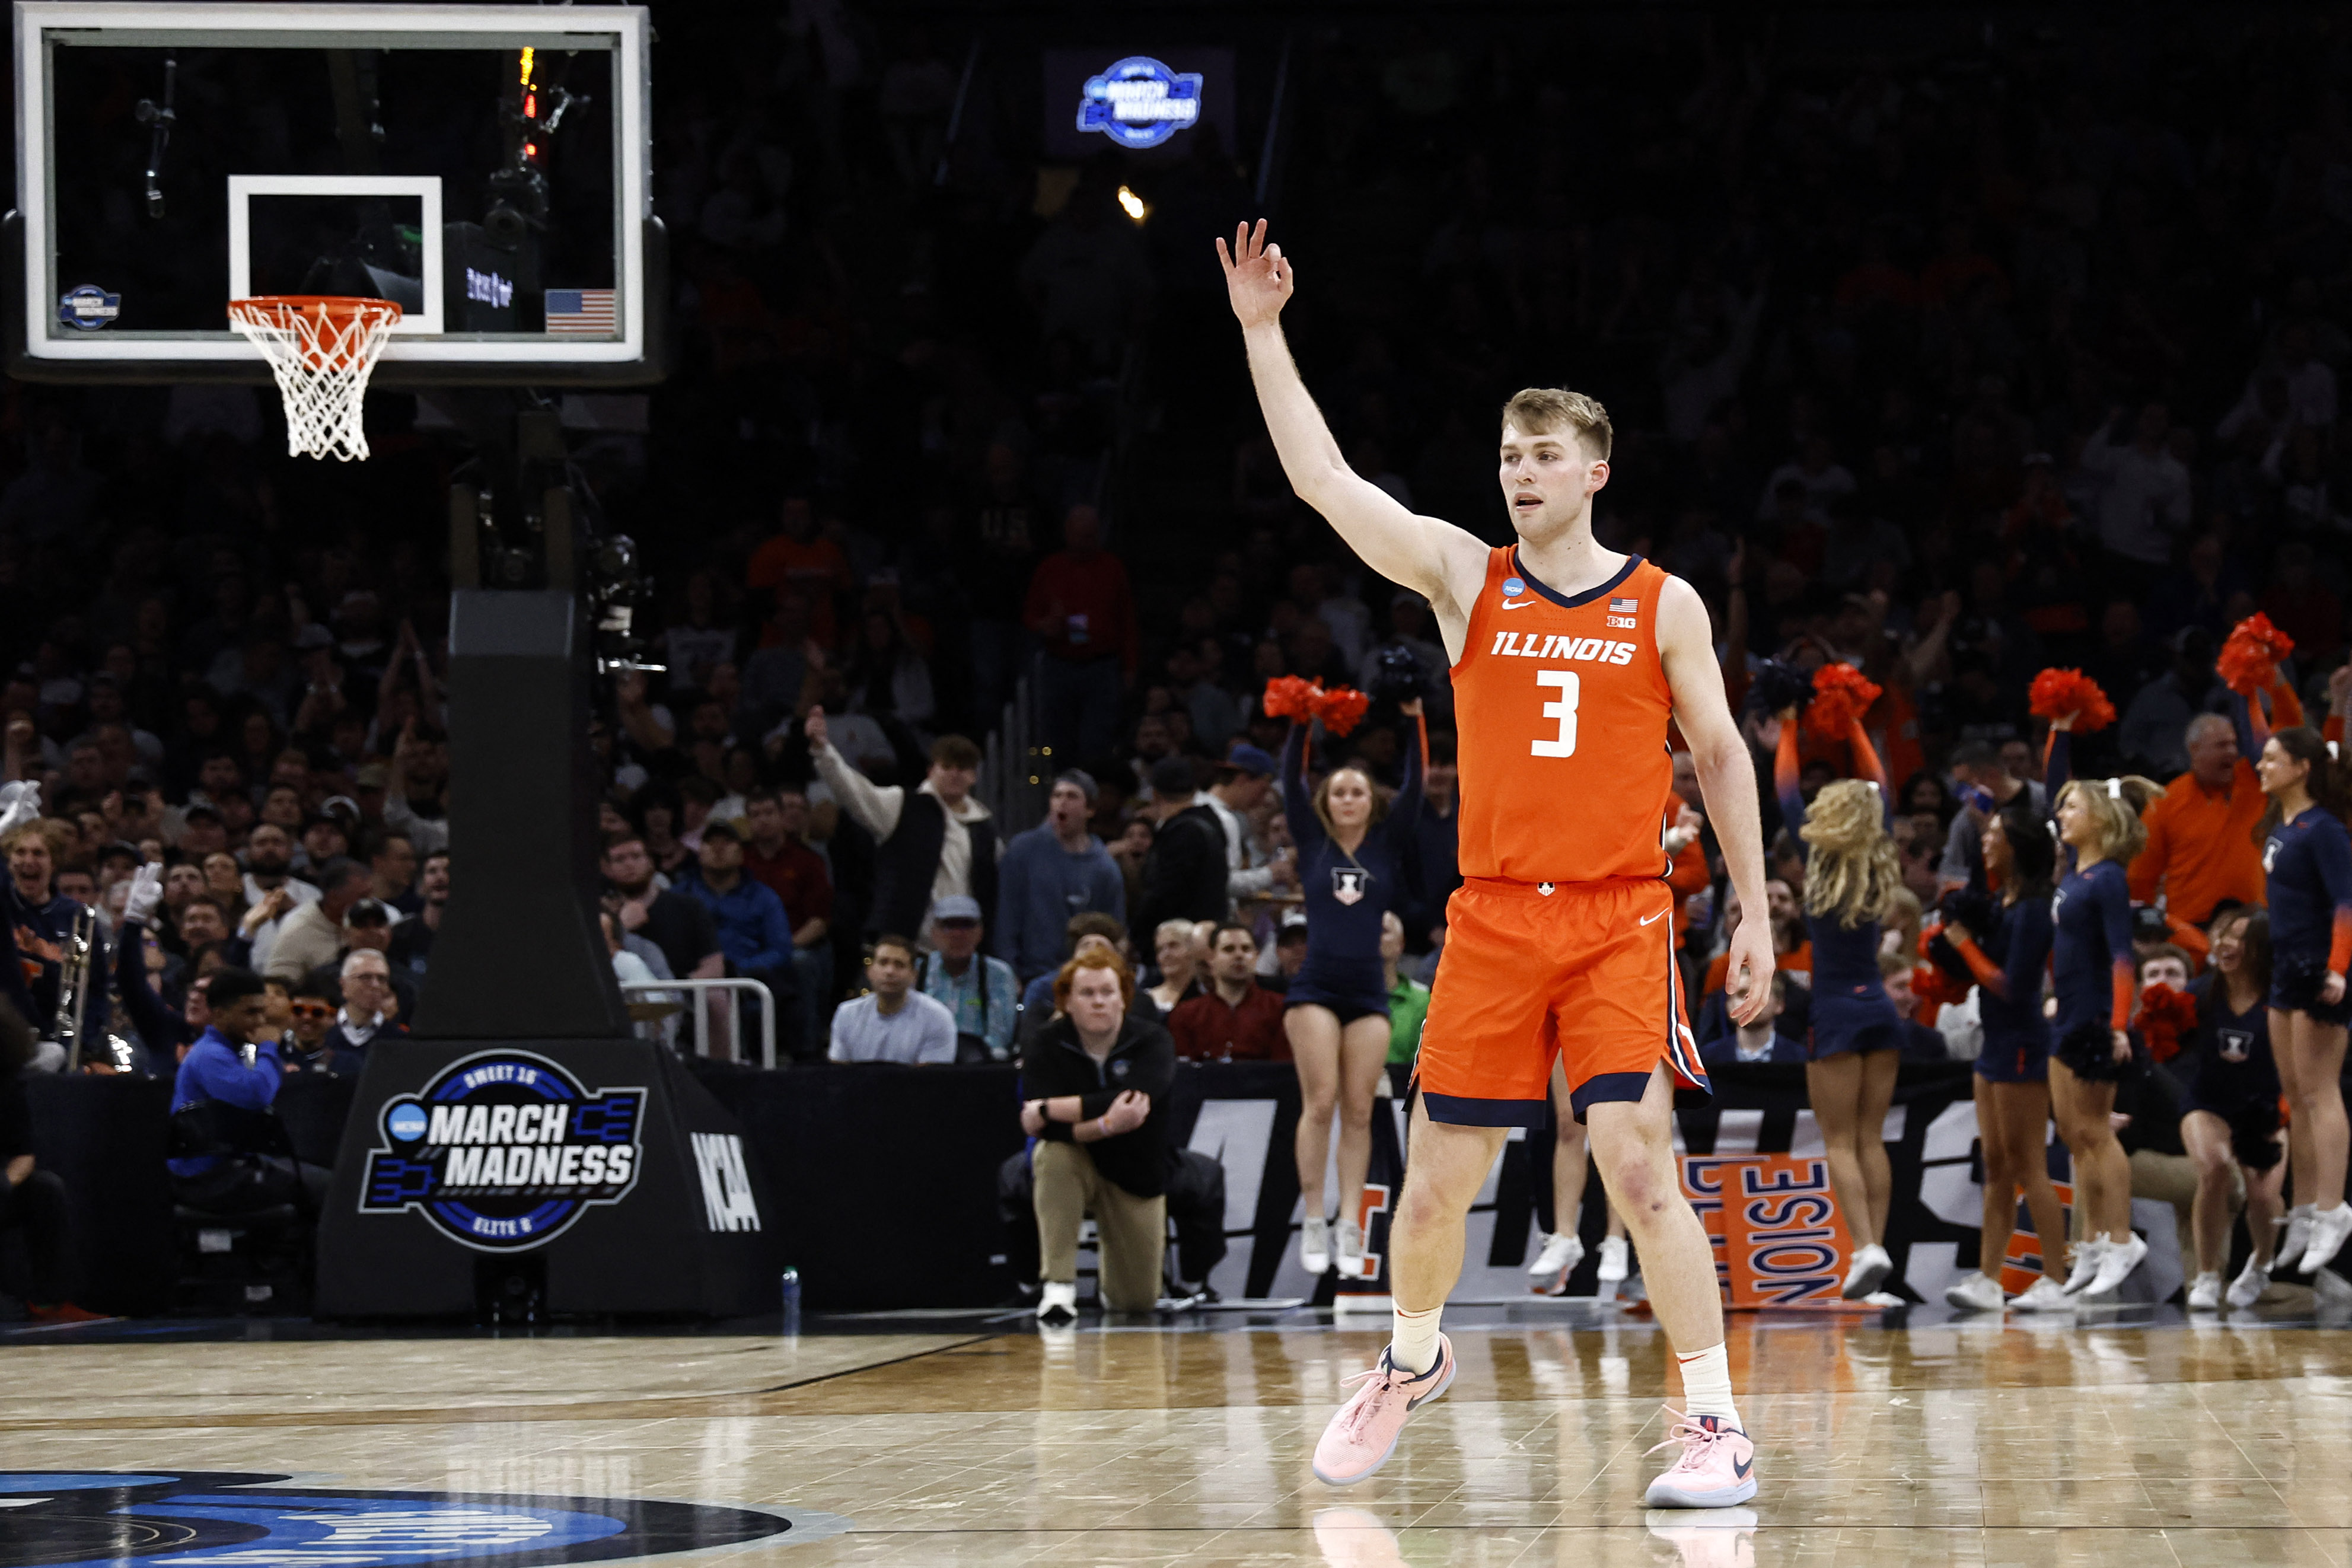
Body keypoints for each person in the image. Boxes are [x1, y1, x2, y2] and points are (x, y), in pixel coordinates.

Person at [1222, 223, 1774, 1506]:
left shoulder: (1663, 602)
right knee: (1430, 1201)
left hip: (1624, 916)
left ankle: (1715, 1422)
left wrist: (1748, 907)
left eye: (1543, 456)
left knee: (1639, 1164)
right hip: (1492, 922)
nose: (1520, 471)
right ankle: (1412, 1359)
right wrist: (1262, 330)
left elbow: (1727, 759)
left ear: (1595, 472)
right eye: (1509, 454)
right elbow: (1323, 479)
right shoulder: (1468, 579)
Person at [1279, 697, 1426, 1279]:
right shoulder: (1311, 843)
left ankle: (1349, 1223)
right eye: (1337, 791)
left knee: (1361, 1110)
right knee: (1320, 1101)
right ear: (1325, 801)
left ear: (1371, 801)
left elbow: (1416, 784)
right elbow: (1290, 777)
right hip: (1315, 984)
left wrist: (1413, 719)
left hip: (1369, 988)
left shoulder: (1387, 846)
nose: (1346, 799)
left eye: (1356, 792)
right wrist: (1299, 721)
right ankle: (1313, 1217)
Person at [1772, 702, 1905, 1298]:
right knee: (1873, 1137)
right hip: (1880, 1006)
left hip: (1834, 1012)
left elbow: (1783, 788)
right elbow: (1883, 785)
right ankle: (1876, 1257)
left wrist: (1791, 725)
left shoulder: (1819, 862)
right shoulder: (1880, 859)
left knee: (1839, 1141)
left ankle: (1867, 1248)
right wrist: (1853, 723)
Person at [2043, 724, 2163, 1296]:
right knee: (2073, 1132)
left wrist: (2118, 1025)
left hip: (2094, 1014)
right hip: (2065, 1011)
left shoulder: (2110, 877)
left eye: (2073, 806)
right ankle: (2092, 1240)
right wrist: (2059, 733)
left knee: (2096, 1130)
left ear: (2100, 818)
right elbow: (2050, 785)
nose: (2062, 813)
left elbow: (2122, 959)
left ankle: (2122, 1238)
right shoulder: (2074, 872)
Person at [1939, 801, 2072, 1312]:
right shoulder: (2008, 900)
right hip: (1994, 1047)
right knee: (1996, 1167)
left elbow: (2012, 987)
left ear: (2016, 846)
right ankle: (1988, 1279)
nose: (1986, 841)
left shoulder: (2037, 908)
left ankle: (2057, 1279)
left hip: (2021, 1045)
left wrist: (1965, 946)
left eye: (1995, 834)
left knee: (2028, 1165)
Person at [1019, 948, 1175, 1322]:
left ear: (1124, 996)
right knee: (1051, 1155)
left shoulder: (1153, 1040)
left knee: (1138, 1302)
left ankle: (1114, 1283)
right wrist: (1106, 1124)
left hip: (1136, 1169)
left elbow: (1133, 1104)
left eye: (1108, 992)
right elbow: (1050, 1131)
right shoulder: (1046, 1042)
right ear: (1068, 1002)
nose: (1099, 1002)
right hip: (1075, 1158)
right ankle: (1058, 1286)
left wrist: (1048, 1108)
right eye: (1087, 994)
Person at [2255, 726, 2352, 1275]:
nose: (2261, 765)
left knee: (2320, 1092)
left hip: (2320, 970)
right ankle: (2308, 1209)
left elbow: (2346, 905)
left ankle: (2334, 1208)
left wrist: (2337, 969)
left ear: (2302, 767)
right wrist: (2251, 687)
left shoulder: (2326, 831)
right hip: (2284, 970)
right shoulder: (2282, 826)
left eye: (2272, 759)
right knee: (2294, 1095)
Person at [2179, 907, 2287, 1311]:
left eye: (2238, 937)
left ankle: (2260, 1263)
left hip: (2265, 1110)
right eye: (2222, 935)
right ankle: (2207, 1275)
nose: (2225, 944)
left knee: (2262, 1196)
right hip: (2208, 1104)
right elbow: (2159, 1043)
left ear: (2260, 948)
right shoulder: (2199, 993)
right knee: (2214, 1168)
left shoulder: (2280, 1002)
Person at [808, 711, 997, 943]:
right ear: (931, 771)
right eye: (947, 766)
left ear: (974, 776)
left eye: (963, 768)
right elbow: (855, 791)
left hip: (963, 947)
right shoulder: (902, 805)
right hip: (906, 946)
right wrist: (824, 751)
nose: (955, 774)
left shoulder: (984, 827)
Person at [165, 967, 326, 1216]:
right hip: (208, 1180)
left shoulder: (227, 1052)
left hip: (226, 1170)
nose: (261, 1021)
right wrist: (269, 1047)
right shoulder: (210, 1055)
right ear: (219, 1014)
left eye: (262, 1012)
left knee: (323, 1181)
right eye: (251, 1012)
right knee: (333, 1190)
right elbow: (256, 1095)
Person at [2131, 713, 2274, 927]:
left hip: (2255, 923)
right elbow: (2140, 876)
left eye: (2234, 744)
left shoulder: (2256, 783)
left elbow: (2291, 734)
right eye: (2221, 745)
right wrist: (2147, 929)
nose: (2232, 752)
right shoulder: (2165, 802)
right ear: (2194, 750)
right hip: (2192, 928)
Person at [677, 820, 798, 1062]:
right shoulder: (681, 896)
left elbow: (781, 949)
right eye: (711, 843)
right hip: (695, 980)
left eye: (727, 843)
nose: (719, 849)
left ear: (741, 853)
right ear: (700, 853)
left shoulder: (764, 897)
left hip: (749, 977)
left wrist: (739, 971)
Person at [996, 771, 1125, 984]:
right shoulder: (1023, 851)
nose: (1062, 803)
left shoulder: (1105, 868)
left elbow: (1114, 930)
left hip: (1083, 977)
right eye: (1057, 796)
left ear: (1090, 809)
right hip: (1031, 974)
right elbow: (1007, 916)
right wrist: (1010, 972)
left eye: (1072, 796)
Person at [1133, 756, 1229, 936]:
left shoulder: (1181, 834)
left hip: (1178, 942)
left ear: (1155, 794)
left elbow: (1162, 896)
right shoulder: (1212, 824)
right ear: (1194, 790)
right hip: (1208, 937)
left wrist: (1136, 935)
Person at [916, 895, 1019, 1060]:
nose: (958, 934)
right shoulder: (918, 971)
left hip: (981, 1066)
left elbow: (1000, 1037)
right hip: (925, 1064)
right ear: (934, 933)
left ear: (980, 933)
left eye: (966, 925)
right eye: (949, 926)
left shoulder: (998, 974)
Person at [827, 935, 957, 1065]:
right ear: (870, 971)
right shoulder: (847, 1014)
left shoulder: (937, 1017)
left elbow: (931, 1080)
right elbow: (839, 1074)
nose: (890, 971)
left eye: (899, 965)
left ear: (914, 975)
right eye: (883, 963)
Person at [1168, 922, 1287, 1061]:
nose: (1239, 955)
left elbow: (1284, 1069)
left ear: (1256, 956)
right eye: (1229, 949)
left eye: (1246, 949)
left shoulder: (1280, 1009)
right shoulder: (1186, 1014)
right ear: (1211, 959)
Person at [261, 857, 372, 984]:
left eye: (370, 894)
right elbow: (277, 985)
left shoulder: (378, 921)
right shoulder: (296, 929)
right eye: (363, 897)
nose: (369, 902)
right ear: (334, 898)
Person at [1696, 971, 1807, 1066]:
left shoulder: (1803, 1060)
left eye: (1760, 993)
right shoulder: (1706, 1060)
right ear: (1728, 1005)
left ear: (1780, 1004)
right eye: (1741, 994)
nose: (1750, 1002)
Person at [321, 948, 404, 1074]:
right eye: (365, 977)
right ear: (344, 985)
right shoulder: (321, 1032)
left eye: (382, 979)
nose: (375, 985)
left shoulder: (399, 1040)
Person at [1379, 910, 1429, 1069]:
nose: (1373, 936)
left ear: (1400, 945)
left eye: (1383, 931)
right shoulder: (1343, 995)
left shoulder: (1422, 1000)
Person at [1145, 918, 1206, 1014]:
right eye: (1160, 949)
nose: (1166, 955)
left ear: (1194, 949)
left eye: (1173, 946)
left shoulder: (1207, 996)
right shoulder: (1145, 998)